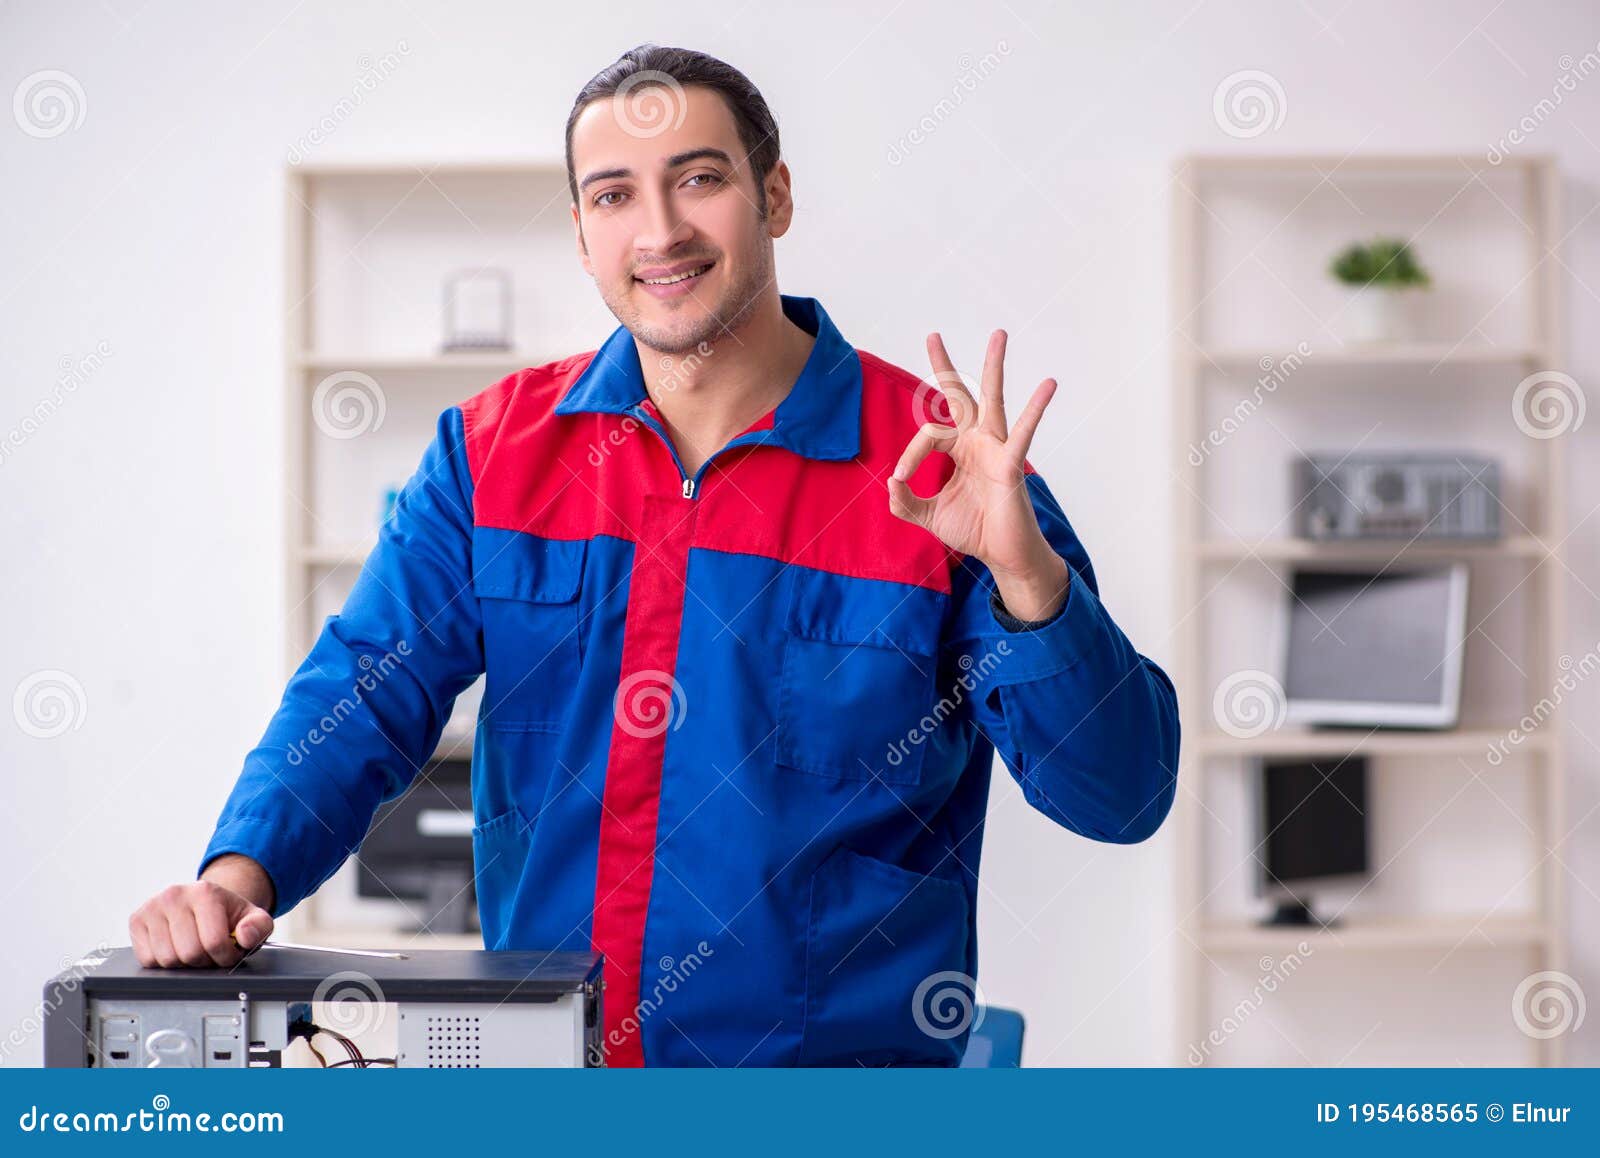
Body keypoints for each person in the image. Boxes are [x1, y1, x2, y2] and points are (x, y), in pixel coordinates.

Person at [129, 43, 1180, 1067]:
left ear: (774, 197)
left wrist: (1028, 580)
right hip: (556, 1080)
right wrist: (239, 876)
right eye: (614, 194)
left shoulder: (939, 464)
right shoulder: (491, 455)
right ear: (582, 234)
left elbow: (1120, 796)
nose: (662, 229)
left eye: (701, 179)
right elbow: (364, 688)